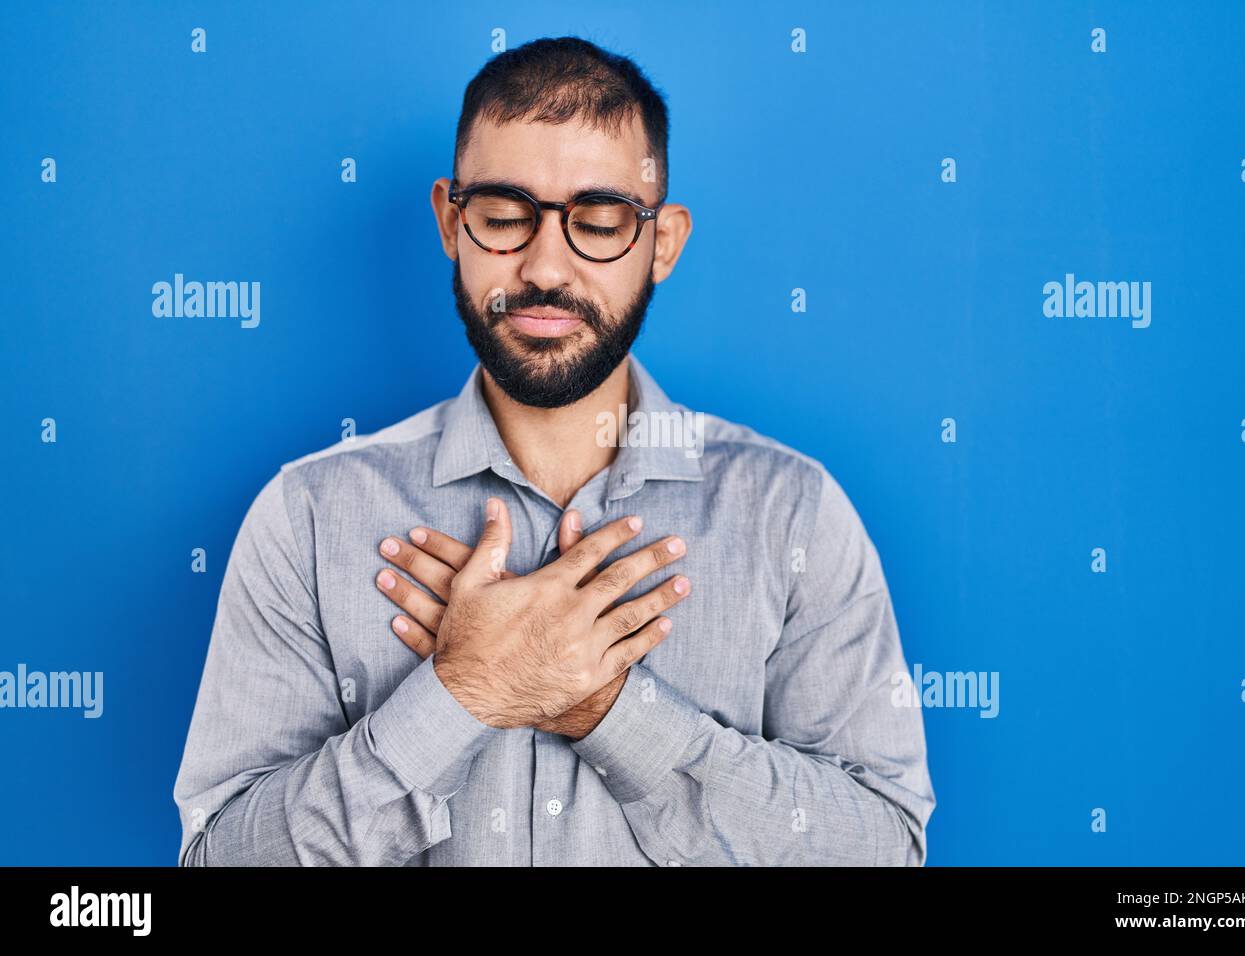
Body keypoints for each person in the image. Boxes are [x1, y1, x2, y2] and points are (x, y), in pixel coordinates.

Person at [173, 35, 935, 866]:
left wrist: (605, 707)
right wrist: (465, 689)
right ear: (450, 222)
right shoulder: (307, 518)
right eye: (503, 217)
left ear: (664, 242)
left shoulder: (794, 512)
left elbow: (884, 848)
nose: (545, 267)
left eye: (599, 222)